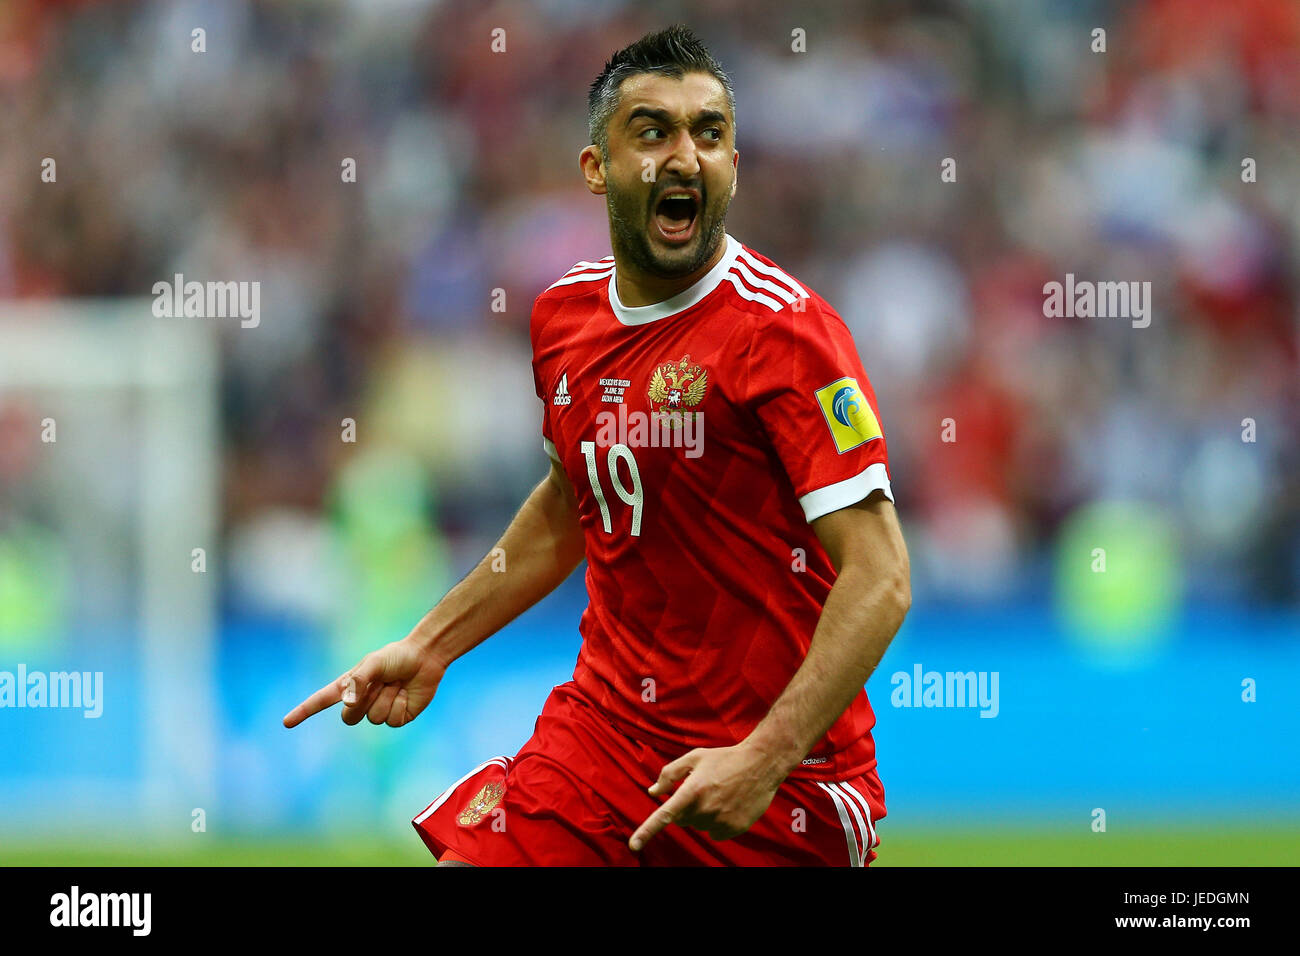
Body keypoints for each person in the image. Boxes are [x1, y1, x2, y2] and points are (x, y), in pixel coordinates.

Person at [284, 23, 910, 867]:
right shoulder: (563, 321)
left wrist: (764, 756)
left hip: (782, 780)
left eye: (710, 133)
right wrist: (432, 644)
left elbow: (883, 574)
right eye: (653, 131)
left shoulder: (786, 335)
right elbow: (572, 502)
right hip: (606, 741)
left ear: (732, 165)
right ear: (596, 168)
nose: (685, 155)